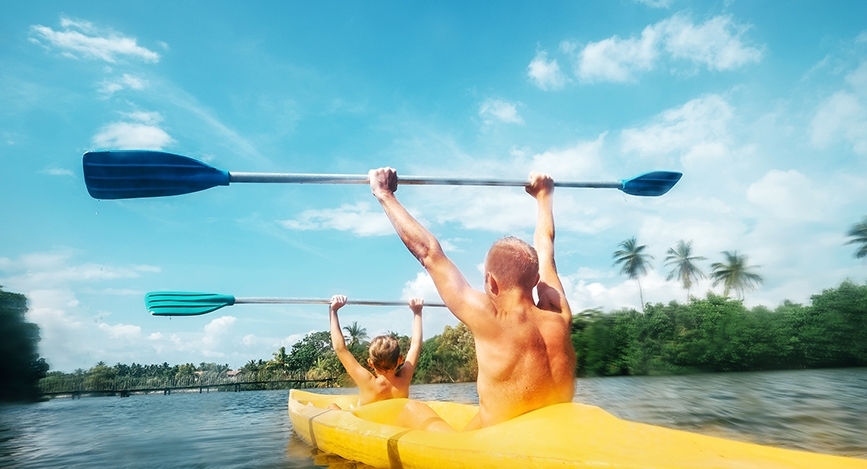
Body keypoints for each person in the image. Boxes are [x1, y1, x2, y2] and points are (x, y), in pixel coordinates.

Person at [369, 168, 576, 431]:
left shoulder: (491, 318)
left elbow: (429, 254)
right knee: (479, 417)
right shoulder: (558, 312)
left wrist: (384, 194)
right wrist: (545, 196)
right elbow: (546, 250)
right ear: (536, 281)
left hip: (501, 445)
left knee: (412, 408)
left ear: (491, 282)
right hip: (551, 432)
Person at [328, 294, 424, 408]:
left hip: (363, 423)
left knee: (332, 406)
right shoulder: (404, 379)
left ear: (370, 362)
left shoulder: (367, 382)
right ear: (400, 359)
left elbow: (340, 349)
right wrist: (417, 312)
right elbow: (415, 345)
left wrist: (333, 311)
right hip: (391, 421)